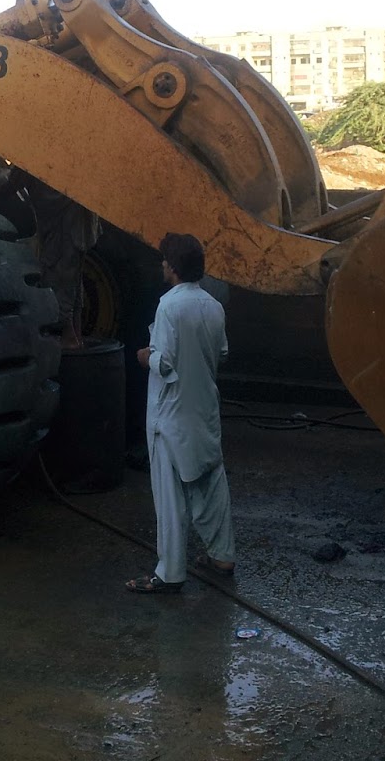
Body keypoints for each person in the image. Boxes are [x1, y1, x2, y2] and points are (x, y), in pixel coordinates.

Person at [126, 232, 236, 593]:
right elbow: (220, 354)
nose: (161, 264)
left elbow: (166, 362)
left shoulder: (169, 305)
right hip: (204, 410)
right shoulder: (213, 304)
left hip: (169, 416)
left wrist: (146, 357)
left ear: (172, 267)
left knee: (170, 495)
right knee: (210, 481)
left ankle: (169, 572)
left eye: (164, 260)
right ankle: (222, 555)